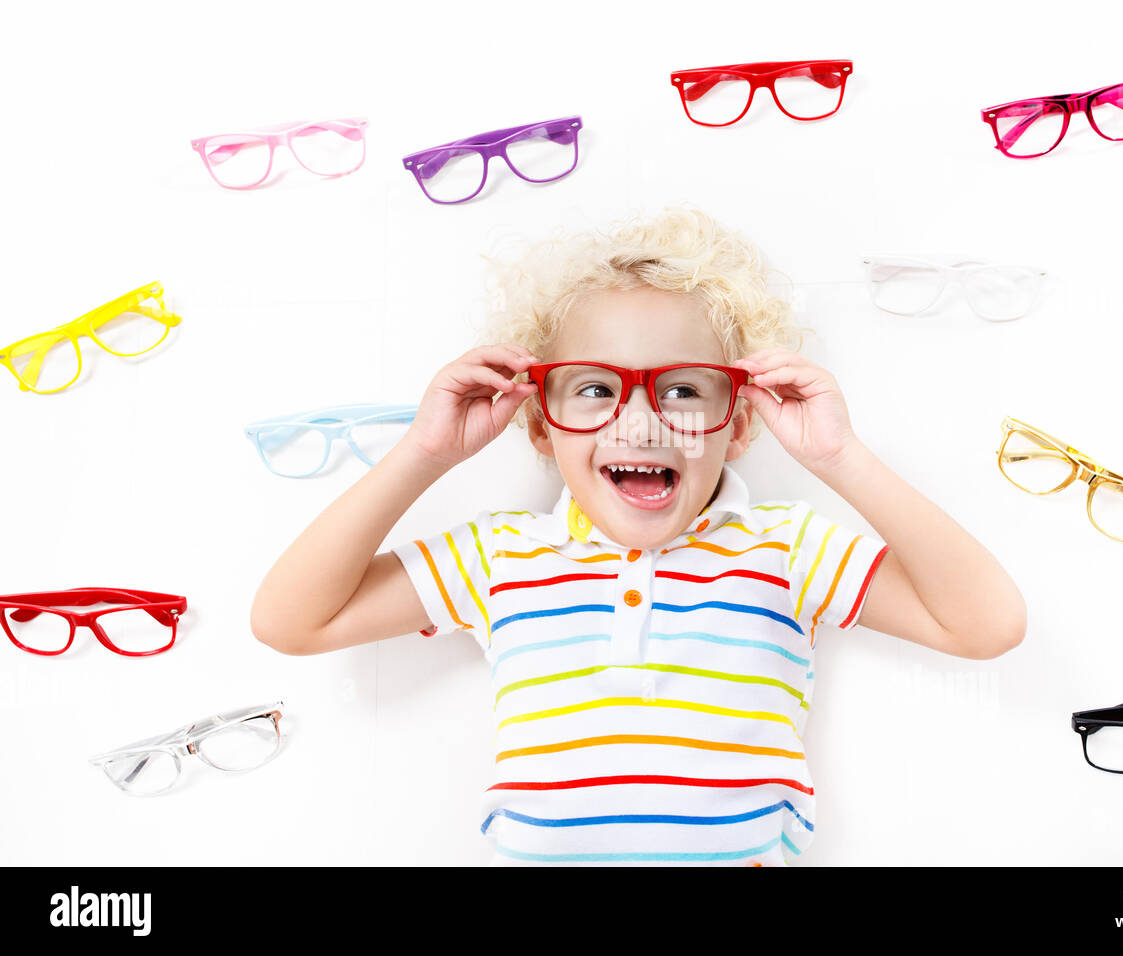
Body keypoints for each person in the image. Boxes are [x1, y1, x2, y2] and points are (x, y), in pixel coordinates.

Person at [251, 207, 1026, 865]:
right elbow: (292, 621)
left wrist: (839, 458)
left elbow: (986, 626)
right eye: (595, 388)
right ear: (539, 425)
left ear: (742, 419)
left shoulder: (785, 548)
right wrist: (424, 454)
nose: (641, 419)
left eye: (683, 389)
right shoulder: (500, 557)